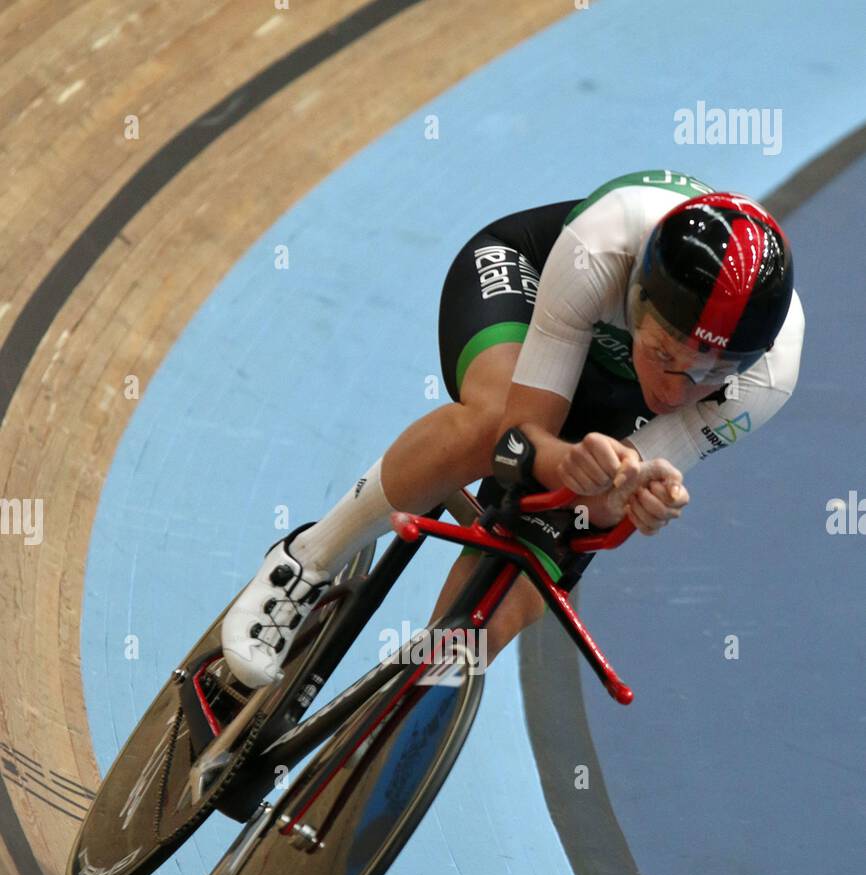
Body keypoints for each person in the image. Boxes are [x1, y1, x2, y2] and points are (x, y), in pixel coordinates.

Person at [221, 168, 803, 687]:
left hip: (614, 388)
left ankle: (410, 705)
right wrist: (562, 461)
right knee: (491, 426)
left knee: (538, 556)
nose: (677, 390)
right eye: (666, 353)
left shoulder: (765, 380)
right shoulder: (601, 249)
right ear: (637, 299)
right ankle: (305, 559)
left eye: (710, 373)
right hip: (530, 290)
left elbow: (596, 507)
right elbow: (520, 437)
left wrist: (629, 492)